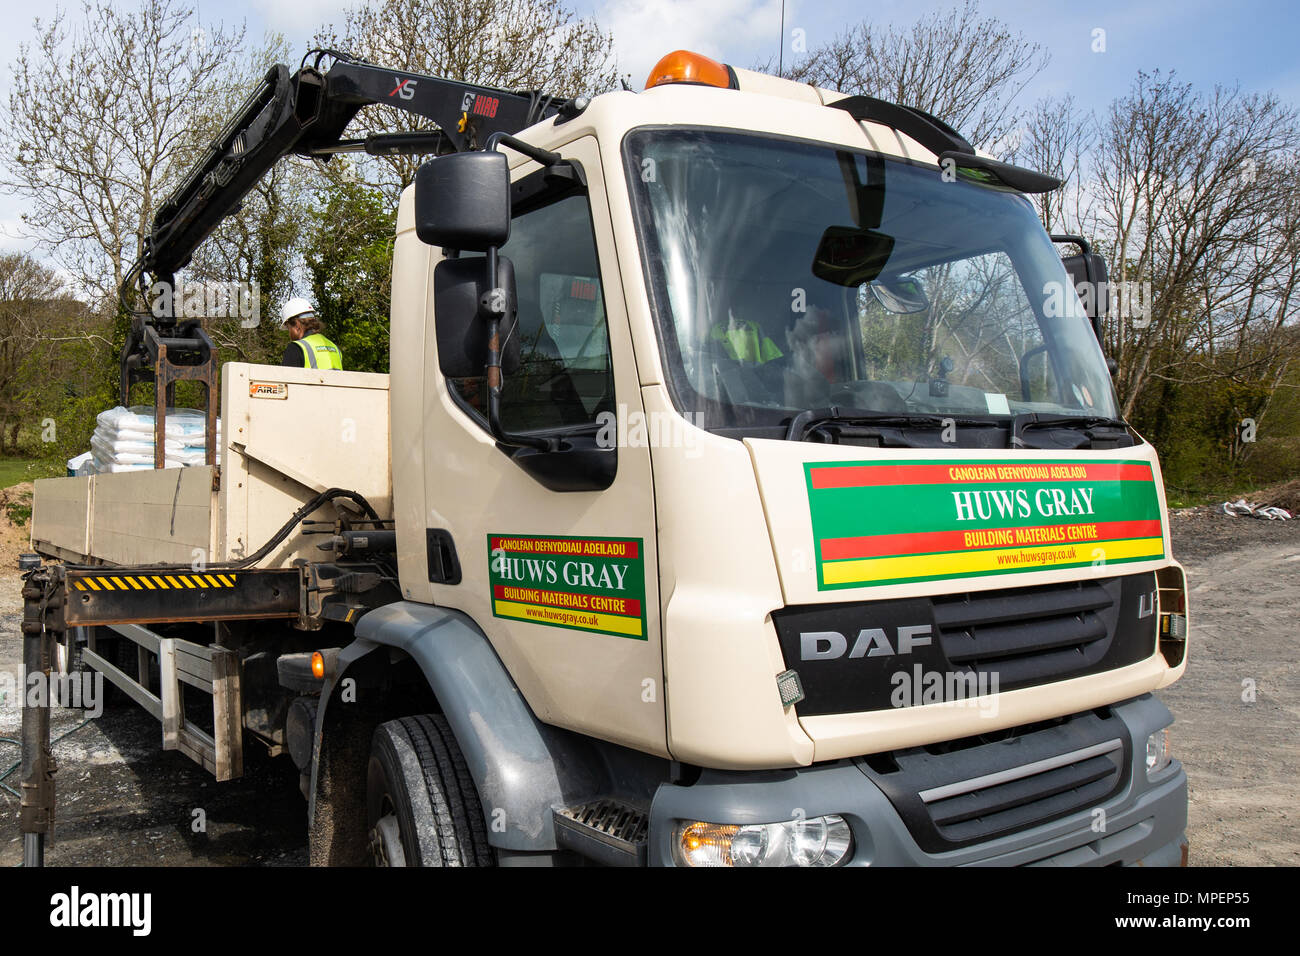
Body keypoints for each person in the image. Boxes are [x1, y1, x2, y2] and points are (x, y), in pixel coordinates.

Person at [280, 298, 343, 370]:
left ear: (297, 325)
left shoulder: (296, 348)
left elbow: (286, 378)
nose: (289, 334)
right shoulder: (335, 347)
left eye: (289, 328)